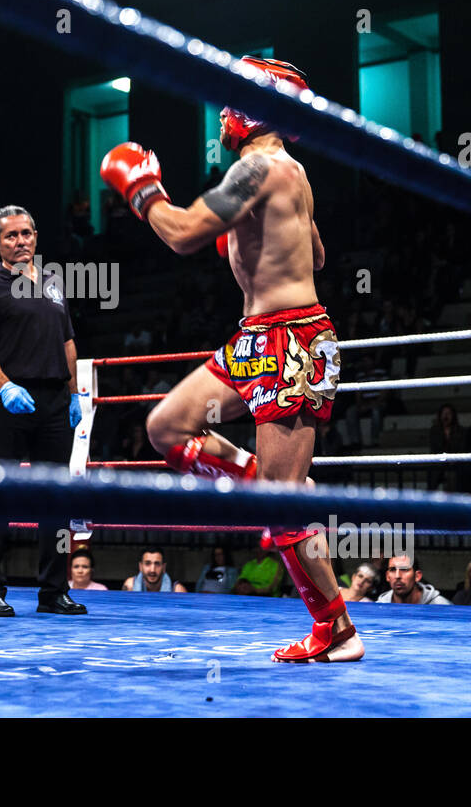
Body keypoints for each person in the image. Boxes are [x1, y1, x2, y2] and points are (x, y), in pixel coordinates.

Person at [101, 57, 360, 662]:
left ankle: (338, 630)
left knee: (282, 507)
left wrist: (143, 189)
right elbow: (317, 254)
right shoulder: (290, 171)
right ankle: (269, 488)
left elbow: (182, 232)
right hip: (257, 339)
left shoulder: (260, 167)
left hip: (292, 340)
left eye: (230, 99)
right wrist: (253, 239)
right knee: (166, 426)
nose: (220, 111)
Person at [0, 205, 86, 618]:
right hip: (8, 401)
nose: (21, 241)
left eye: (27, 233)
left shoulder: (54, 284)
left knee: (56, 500)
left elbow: (68, 344)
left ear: (36, 237)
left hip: (55, 402)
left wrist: (74, 395)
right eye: (12, 235)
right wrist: (5, 387)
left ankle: (53, 591)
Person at [376, 554, 452, 605]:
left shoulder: (441, 606)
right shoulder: (379, 607)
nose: (397, 576)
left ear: (417, 576)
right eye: (392, 570)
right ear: (387, 576)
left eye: (404, 569)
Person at [122, 548, 187, 592]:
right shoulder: (130, 586)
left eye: (157, 564)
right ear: (140, 566)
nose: (152, 570)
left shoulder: (177, 591)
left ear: (164, 567)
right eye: (147, 564)